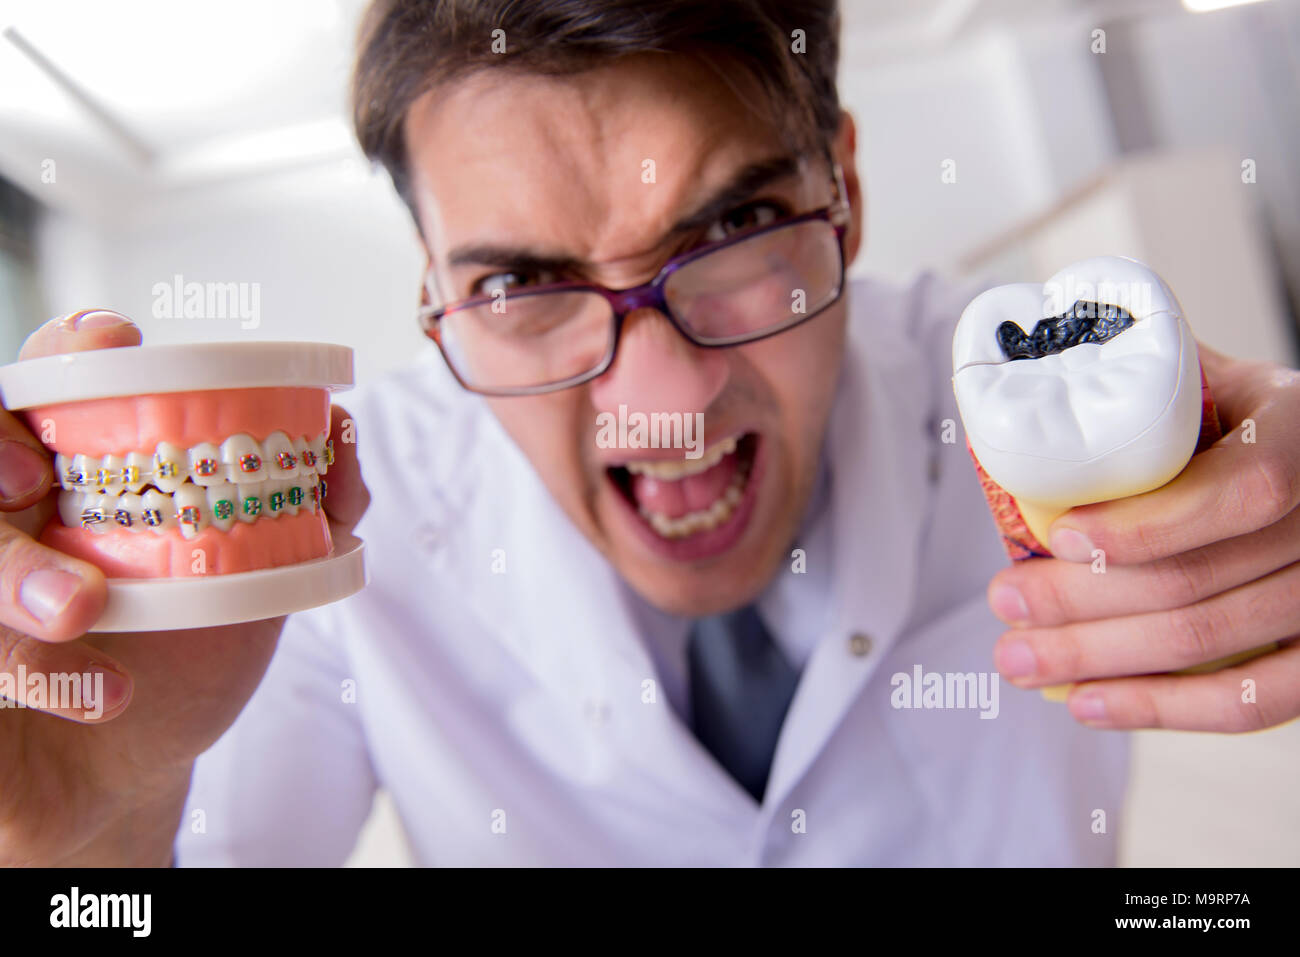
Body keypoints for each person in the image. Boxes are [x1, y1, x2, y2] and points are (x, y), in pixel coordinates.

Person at [2, 0, 1298, 867]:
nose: (661, 399)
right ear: (433, 290)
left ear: (843, 192)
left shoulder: (1022, 401)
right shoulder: (329, 532)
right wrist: (90, 824)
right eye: (520, 286)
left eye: (733, 231)